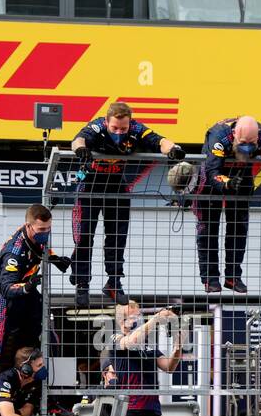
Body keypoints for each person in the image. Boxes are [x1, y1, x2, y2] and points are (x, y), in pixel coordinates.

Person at [69, 102, 184, 306]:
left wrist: (173, 149)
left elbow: (160, 141)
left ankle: (114, 282)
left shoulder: (136, 129)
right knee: (84, 237)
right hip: (90, 184)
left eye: (123, 128)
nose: (119, 132)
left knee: (117, 237)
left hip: (116, 184)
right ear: (107, 122)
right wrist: (81, 151)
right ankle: (82, 284)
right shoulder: (97, 127)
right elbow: (77, 141)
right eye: (115, 128)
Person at [0, 203, 71, 401]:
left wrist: (55, 259)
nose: (45, 233)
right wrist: (26, 286)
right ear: (28, 226)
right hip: (4, 304)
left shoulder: (35, 236)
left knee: (36, 351)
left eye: (48, 229)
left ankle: (40, 401)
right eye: (41, 230)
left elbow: (40, 248)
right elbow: (6, 288)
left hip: (27, 300)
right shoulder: (14, 252)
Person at [193, 116, 261, 294]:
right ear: (234, 134)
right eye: (242, 142)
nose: (247, 146)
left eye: (251, 142)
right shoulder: (219, 137)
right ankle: (210, 279)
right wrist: (227, 184)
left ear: (257, 136)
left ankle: (233, 277)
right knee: (208, 228)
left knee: (239, 227)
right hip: (213, 174)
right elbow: (212, 171)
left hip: (243, 171)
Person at [105, 301, 184, 416]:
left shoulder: (148, 343)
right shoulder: (115, 338)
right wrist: (156, 318)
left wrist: (178, 345)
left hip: (152, 408)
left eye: (139, 316)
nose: (139, 319)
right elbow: (131, 342)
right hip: (129, 409)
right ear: (121, 321)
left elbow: (169, 367)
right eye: (134, 317)